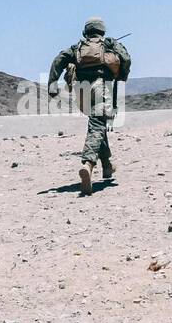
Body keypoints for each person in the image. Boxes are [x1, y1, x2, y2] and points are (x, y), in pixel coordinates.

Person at [47, 17, 132, 195]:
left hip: (81, 90)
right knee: (97, 125)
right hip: (100, 87)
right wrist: (121, 75)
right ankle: (88, 164)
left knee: (97, 124)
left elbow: (58, 60)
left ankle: (107, 166)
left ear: (86, 31)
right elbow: (126, 58)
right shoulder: (108, 44)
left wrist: (52, 84)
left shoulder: (77, 47)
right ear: (102, 30)